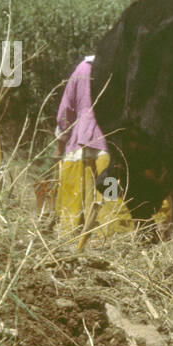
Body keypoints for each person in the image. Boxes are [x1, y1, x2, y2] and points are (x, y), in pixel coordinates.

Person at [54, 53, 128, 240]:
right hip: (108, 148)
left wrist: (62, 141)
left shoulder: (82, 69)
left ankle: (71, 239)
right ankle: (109, 238)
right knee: (109, 195)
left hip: (79, 144)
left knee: (76, 198)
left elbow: (66, 109)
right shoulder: (121, 70)